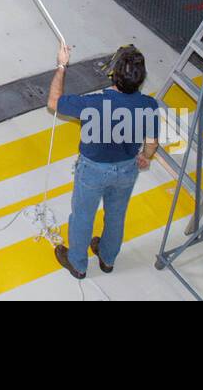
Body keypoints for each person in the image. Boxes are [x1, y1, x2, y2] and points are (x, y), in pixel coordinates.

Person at [47, 42, 160, 279]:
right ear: (140, 79)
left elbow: (53, 102)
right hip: (127, 170)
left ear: (113, 75)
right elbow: (152, 143)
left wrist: (61, 66)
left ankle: (78, 264)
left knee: (82, 217)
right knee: (116, 215)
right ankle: (107, 259)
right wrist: (145, 157)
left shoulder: (93, 103)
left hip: (92, 171)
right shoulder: (148, 105)